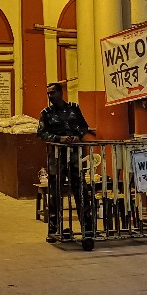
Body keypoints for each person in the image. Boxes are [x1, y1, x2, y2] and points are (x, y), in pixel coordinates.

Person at [37, 82, 93, 243]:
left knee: (81, 191)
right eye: (48, 94)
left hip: (74, 156)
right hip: (56, 157)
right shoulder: (46, 113)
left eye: (53, 93)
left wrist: (77, 136)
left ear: (61, 93)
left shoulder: (74, 109)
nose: (50, 96)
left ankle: (88, 229)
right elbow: (41, 133)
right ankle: (53, 230)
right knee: (55, 193)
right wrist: (58, 138)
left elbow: (84, 126)